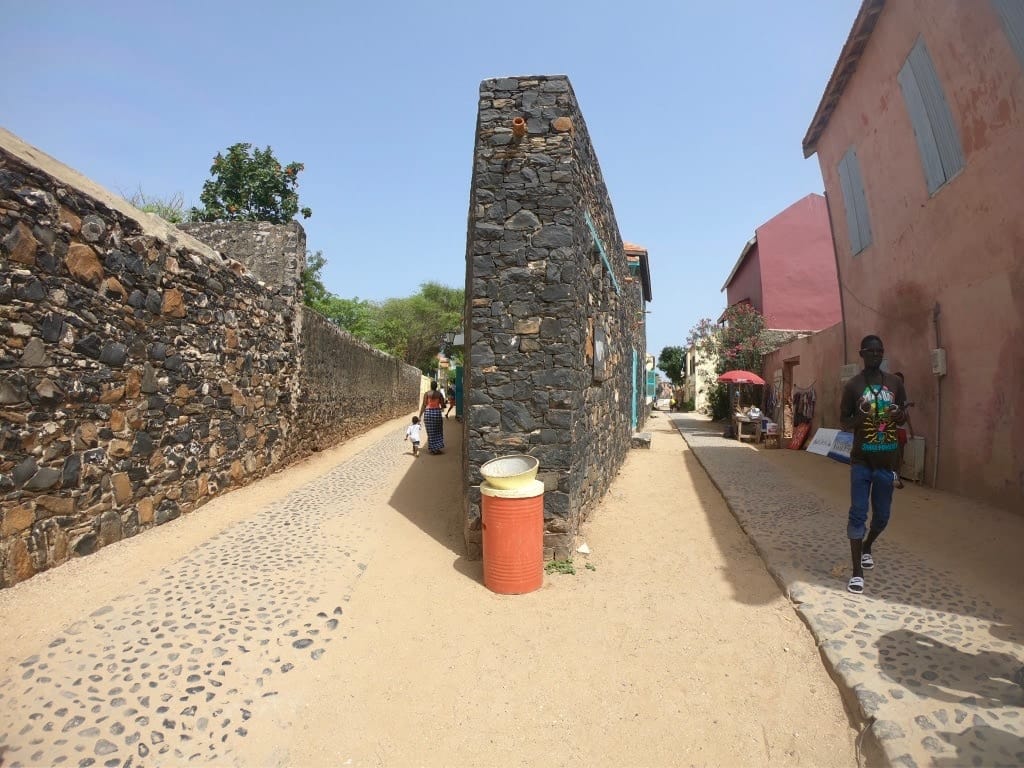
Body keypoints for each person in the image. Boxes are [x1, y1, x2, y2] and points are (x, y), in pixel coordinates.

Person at [839, 335, 907, 595]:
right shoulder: (853, 386)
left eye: (880, 351)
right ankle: (857, 572)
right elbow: (844, 422)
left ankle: (867, 545)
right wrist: (861, 416)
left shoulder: (895, 383)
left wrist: (899, 414)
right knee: (858, 513)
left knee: (882, 517)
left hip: (886, 463)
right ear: (862, 354)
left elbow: (903, 416)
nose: (876, 355)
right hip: (861, 461)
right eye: (870, 351)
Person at [892, 372, 915, 489]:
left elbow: (906, 415)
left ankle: (897, 477)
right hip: (891, 429)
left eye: (900, 381)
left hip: (901, 430)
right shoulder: (889, 395)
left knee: (900, 456)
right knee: (892, 455)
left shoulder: (903, 397)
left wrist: (911, 430)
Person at [419, 380, 446, 454]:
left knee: (430, 432)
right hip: (437, 413)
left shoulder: (427, 394)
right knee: (438, 431)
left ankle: (432, 449)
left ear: (430, 386)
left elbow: (424, 405)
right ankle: (436, 448)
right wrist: (443, 405)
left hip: (428, 414)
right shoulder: (439, 394)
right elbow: (443, 405)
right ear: (436, 386)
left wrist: (420, 416)